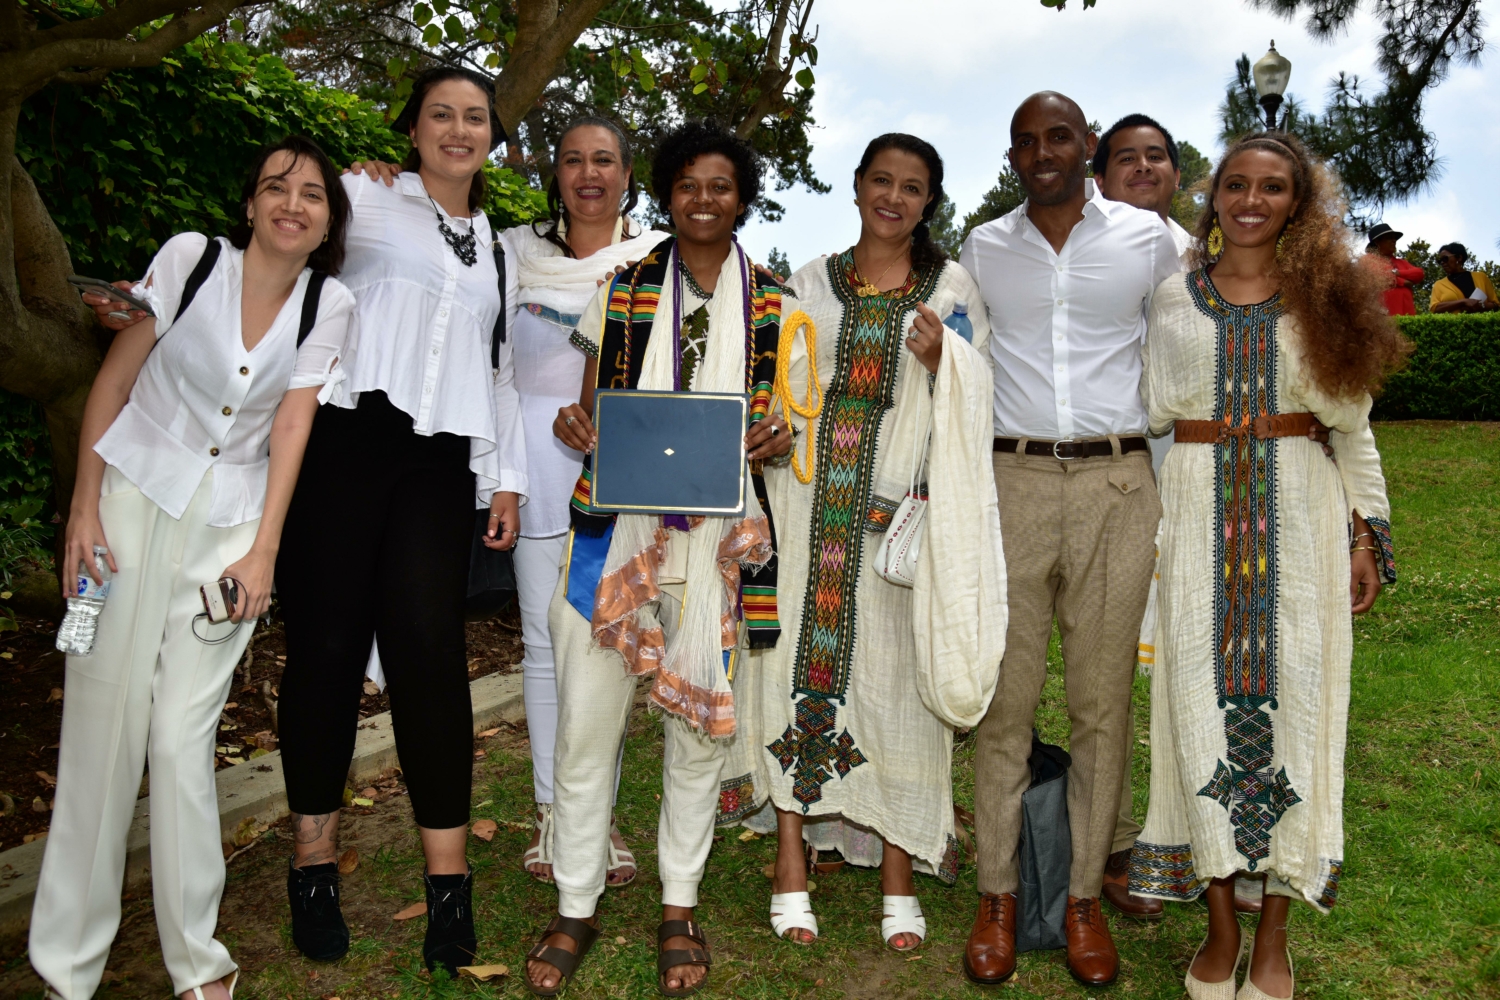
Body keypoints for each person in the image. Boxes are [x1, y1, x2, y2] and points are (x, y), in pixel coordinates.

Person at [32, 136, 356, 1000]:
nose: (292, 203)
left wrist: (264, 551)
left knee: (181, 739)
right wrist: (83, 507)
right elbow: (115, 381)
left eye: (313, 194)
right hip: (129, 508)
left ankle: (197, 965)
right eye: (276, 187)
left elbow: (292, 426)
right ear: (249, 204)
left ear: (329, 221)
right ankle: (67, 968)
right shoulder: (190, 260)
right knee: (102, 731)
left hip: (231, 533)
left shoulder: (329, 303)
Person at [345, 115, 670, 887]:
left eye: (604, 160)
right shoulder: (510, 248)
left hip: (623, 469)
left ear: (628, 174)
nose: (588, 174)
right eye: (572, 160)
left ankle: (597, 818)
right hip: (524, 465)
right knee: (546, 649)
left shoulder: (659, 257)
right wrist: (383, 178)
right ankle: (556, 813)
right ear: (555, 173)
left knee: (607, 645)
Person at [1130, 131, 1405, 1000]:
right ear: (1214, 197)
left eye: (1273, 187)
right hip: (1197, 522)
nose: (1252, 200)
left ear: (1299, 204)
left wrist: (1367, 534)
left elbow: (1353, 430)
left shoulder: (1326, 298)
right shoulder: (1171, 298)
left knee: (1301, 715)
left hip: (1302, 521)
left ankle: (1275, 936)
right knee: (1194, 713)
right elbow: (1153, 420)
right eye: (1238, 185)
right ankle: (1219, 928)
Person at [522, 120, 792, 997]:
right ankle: (576, 902)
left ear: (742, 199)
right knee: (586, 722)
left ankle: (679, 904)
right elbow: (591, 407)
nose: (703, 199)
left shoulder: (778, 304)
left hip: (717, 543)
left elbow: (788, 428)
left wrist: (780, 439)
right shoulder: (625, 288)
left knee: (697, 731)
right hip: (617, 532)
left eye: (721, 185)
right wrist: (576, 424)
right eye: (687, 184)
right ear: (666, 196)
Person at [272, 66, 525, 977]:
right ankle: (313, 865)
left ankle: (449, 886)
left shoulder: (496, 246)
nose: (458, 129)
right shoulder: (359, 197)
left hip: (438, 462)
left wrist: (504, 479)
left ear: (492, 137)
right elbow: (276, 274)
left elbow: (496, 368)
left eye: (475, 118)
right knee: (327, 652)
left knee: (431, 658)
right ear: (412, 130)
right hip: (344, 442)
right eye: (440, 114)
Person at [725, 133, 1005, 953]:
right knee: (788, 677)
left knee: (895, 690)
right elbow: (772, 383)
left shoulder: (953, 290)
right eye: (881, 180)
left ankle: (898, 868)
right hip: (805, 511)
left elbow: (978, 397)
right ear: (856, 187)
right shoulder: (811, 281)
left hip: (895, 523)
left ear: (929, 202)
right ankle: (790, 861)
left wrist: (943, 361)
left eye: (912, 187)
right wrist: (771, 430)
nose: (893, 197)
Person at [959, 91, 1180, 988]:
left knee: (1100, 704)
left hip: (1117, 484)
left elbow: (1213, 316)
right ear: (1013, 157)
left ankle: (1083, 898)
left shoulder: (1149, 239)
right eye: (1027, 141)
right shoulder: (984, 247)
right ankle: (998, 896)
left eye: (1060, 136)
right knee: (1004, 704)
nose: (1044, 152)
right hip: (1010, 483)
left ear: (1087, 145)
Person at [1361, 222, 1423, 316]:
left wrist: (1397, 273)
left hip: (1408, 317)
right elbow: (1378, 277)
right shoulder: (1367, 260)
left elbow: (1419, 273)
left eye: (1394, 238)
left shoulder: (1401, 262)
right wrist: (1404, 282)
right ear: (1377, 241)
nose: (1394, 241)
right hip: (1383, 317)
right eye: (1389, 238)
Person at [1429, 242, 1500, 313]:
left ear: (1459, 258)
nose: (1442, 263)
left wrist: (1481, 306)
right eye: (1440, 261)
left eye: (1445, 259)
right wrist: (1463, 302)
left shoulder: (1481, 277)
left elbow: (1496, 305)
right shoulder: (1439, 284)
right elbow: (1434, 308)